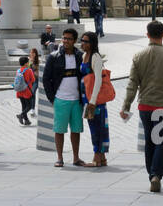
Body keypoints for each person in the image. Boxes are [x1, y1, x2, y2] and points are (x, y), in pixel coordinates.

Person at [119, 20, 163, 191]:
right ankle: (156, 174)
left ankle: (151, 174)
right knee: (161, 142)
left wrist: (126, 106)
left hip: (145, 107)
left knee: (149, 141)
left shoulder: (138, 56)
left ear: (147, 35)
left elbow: (132, 84)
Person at [42, 28, 86, 167]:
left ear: (74, 41)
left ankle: (76, 157)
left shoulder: (80, 56)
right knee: (59, 130)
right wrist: (52, 98)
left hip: (76, 99)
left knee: (76, 130)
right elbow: (46, 78)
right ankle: (60, 158)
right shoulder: (54, 56)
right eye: (64, 38)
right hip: (60, 99)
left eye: (69, 39)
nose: (65, 41)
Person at [80, 31, 111, 167]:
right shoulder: (84, 56)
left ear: (92, 43)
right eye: (82, 40)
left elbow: (98, 80)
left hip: (95, 101)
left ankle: (96, 157)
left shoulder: (95, 57)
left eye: (85, 41)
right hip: (87, 98)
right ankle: (102, 157)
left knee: (97, 128)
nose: (82, 43)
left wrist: (92, 101)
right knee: (95, 126)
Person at [16, 48, 39, 125]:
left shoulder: (18, 70)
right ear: (26, 63)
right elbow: (32, 80)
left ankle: (26, 120)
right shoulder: (28, 70)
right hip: (26, 91)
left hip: (19, 91)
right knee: (28, 106)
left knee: (24, 105)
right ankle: (21, 115)